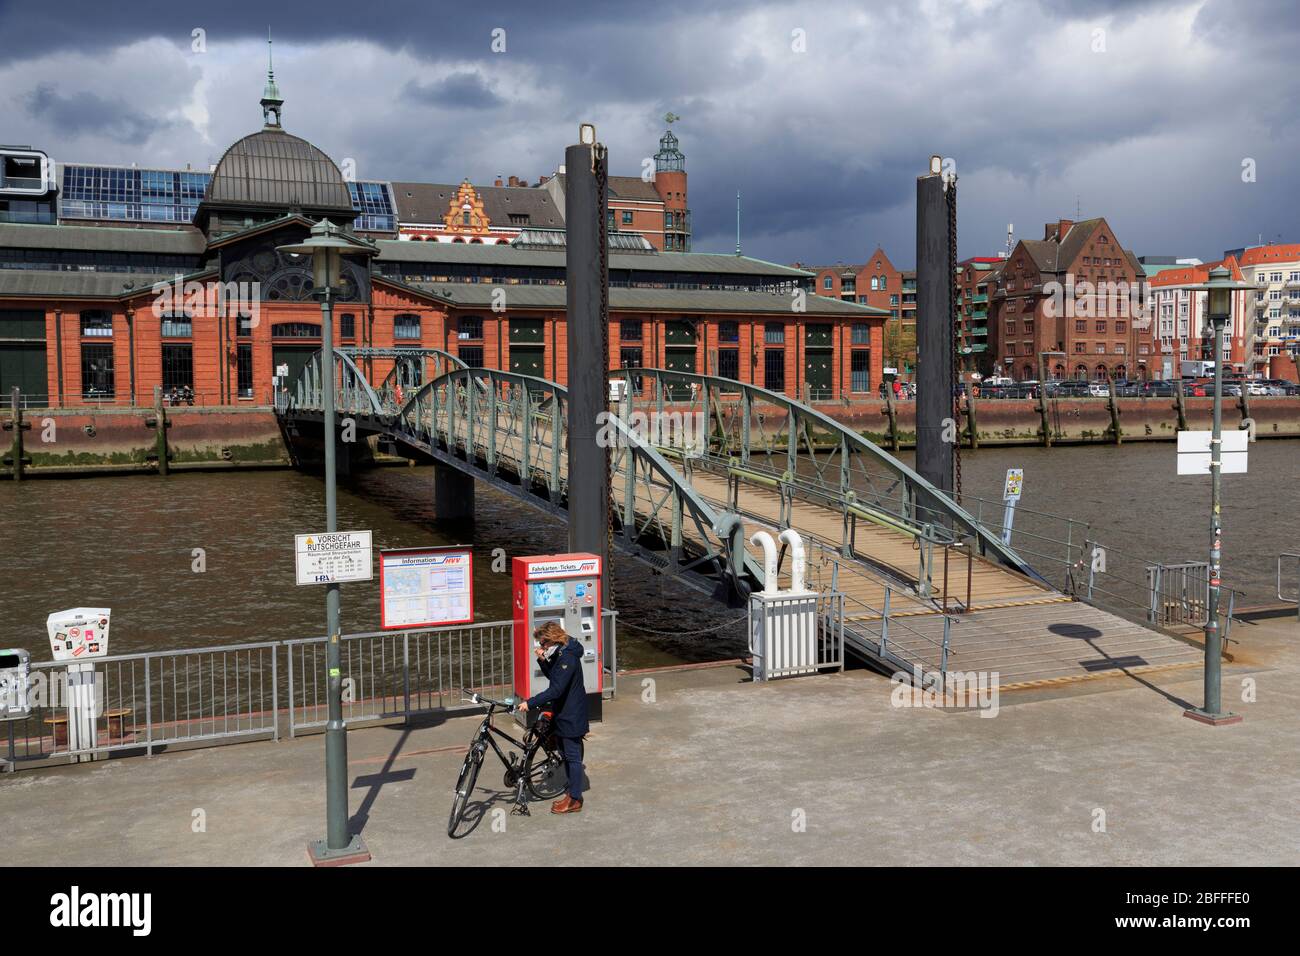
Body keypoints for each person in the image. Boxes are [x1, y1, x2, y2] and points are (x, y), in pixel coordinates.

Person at [517, 621, 588, 814]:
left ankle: (575, 799)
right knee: (565, 754)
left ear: (552, 640)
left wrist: (529, 703)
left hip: (571, 714)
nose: (542, 647)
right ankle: (571, 794)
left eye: (543, 644)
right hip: (564, 711)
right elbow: (555, 678)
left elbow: (556, 689)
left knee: (572, 758)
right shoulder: (561, 652)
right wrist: (542, 660)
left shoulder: (568, 658)